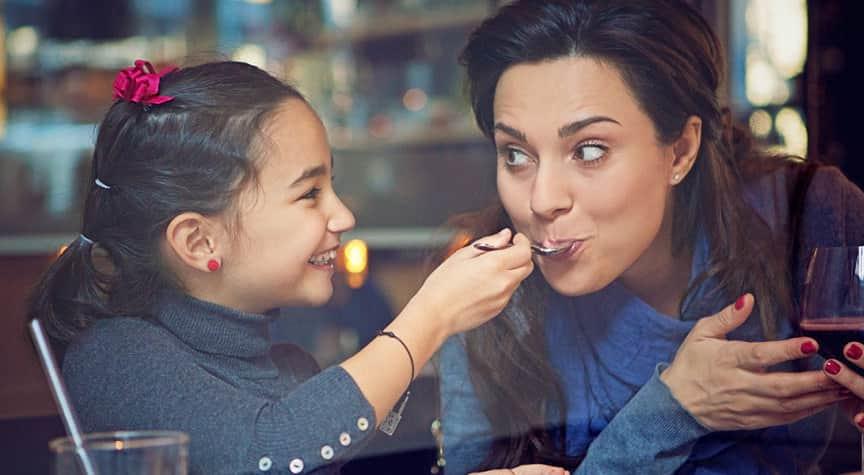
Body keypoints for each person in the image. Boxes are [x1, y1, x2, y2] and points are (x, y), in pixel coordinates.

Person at [437, 1, 864, 473]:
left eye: (589, 150)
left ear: (680, 150)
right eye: (516, 155)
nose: (542, 199)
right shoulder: (487, 297)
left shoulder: (804, 215)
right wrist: (673, 410)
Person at [27, 59, 565, 475]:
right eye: (310, 193)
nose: (344, 214)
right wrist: (430, 317)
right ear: (198, 240)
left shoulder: (287, 366)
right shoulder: (116, 357)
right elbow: (264, 453)